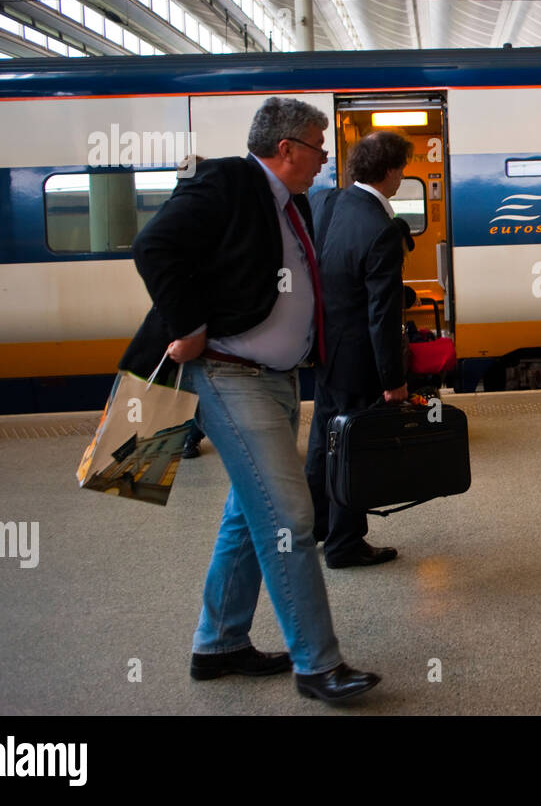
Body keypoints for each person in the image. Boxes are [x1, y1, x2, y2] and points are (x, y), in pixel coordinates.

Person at [119, 96, 380, 703]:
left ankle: (219, 644)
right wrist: (186, 325)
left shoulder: (289, 204)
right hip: (230, 375)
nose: (324, 159)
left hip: (277, 381)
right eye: (319, 146)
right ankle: (318, 665)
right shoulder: (230, 179)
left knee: (247, 512)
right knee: (289, 518)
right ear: (286, 148)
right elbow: (154, 247)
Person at [305, 131, 413, 568]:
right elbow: (381, 316)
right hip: (357, 361)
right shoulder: (380, 230)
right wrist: (394, 381)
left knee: (323, 440)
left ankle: (316, 526)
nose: (402, 175)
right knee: (352, 448)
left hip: (323, 350)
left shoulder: (324, 203)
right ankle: (345, 544)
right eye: (402, 168)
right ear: (390, 172)